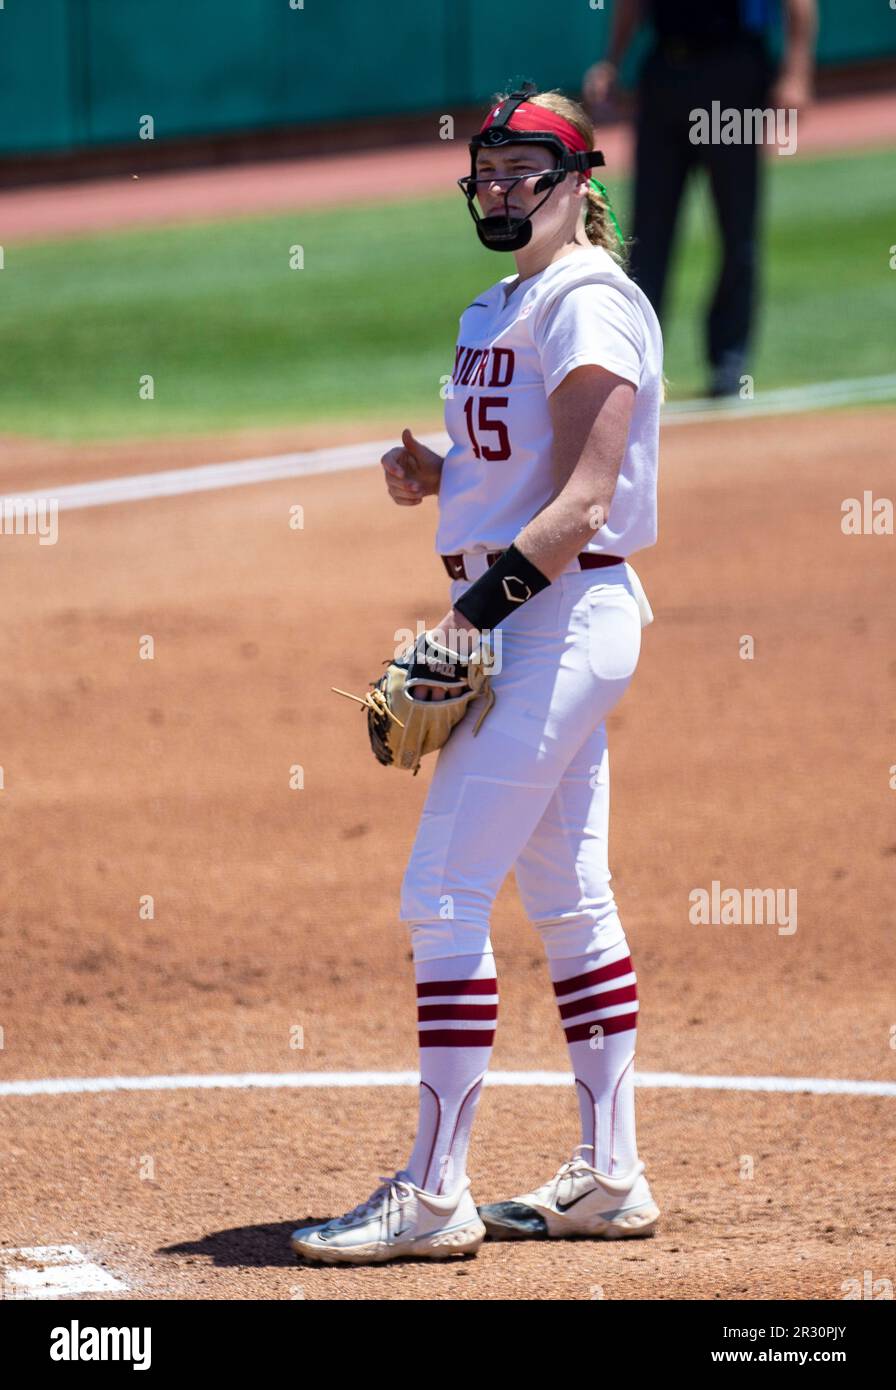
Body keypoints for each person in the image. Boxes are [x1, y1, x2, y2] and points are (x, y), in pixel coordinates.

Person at [291, 83, 663, 1265]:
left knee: (442, 894)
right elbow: (523, 464)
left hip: (556, 616)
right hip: (530, 619)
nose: (496, 193)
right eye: (483, 174)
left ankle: (432, 1193)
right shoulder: (496, 304)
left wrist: (466, 620)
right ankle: (609, 1177)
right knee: (566, 896)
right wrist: (440, 465)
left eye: (519, 173)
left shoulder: (589, 301)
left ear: (576, 180)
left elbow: (586, 499)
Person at [584, 0, 817, 397]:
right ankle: (632, 363)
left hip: (732, 73)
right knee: (648, 231)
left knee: (736, 226)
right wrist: (612, 61)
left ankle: (729, 364)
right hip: (665, 71)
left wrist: (796, 72)